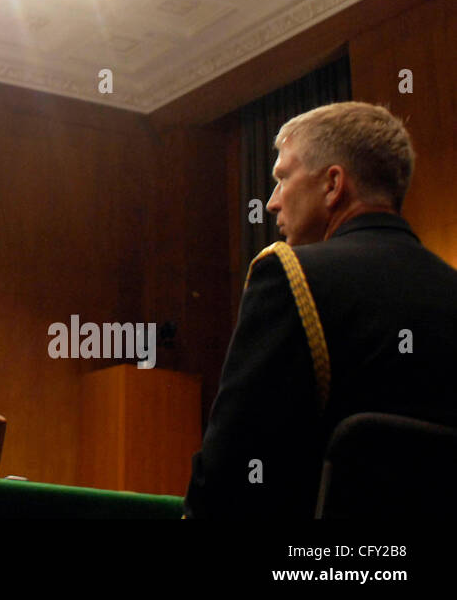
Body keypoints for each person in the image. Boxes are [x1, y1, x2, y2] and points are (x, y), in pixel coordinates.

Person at [185, 102, 457, 517]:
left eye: (282, 178)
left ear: (332, 184)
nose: (273, 201)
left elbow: (231, 467)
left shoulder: (289, 277)